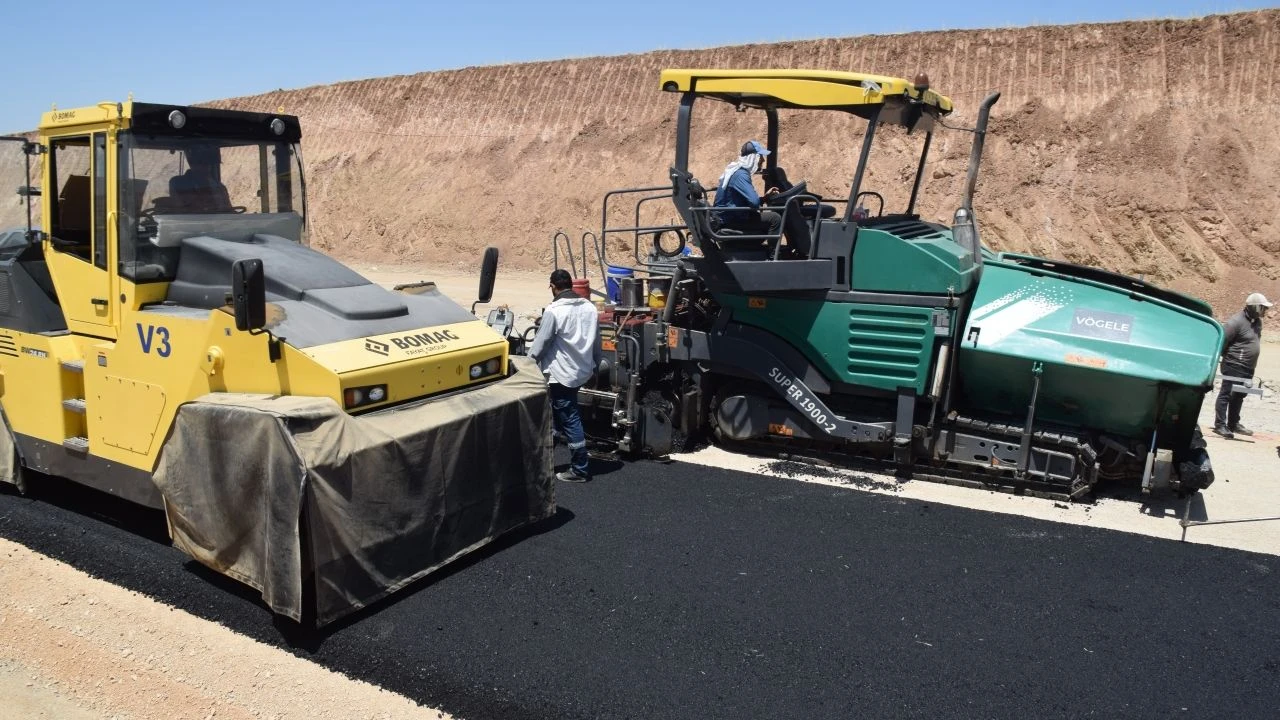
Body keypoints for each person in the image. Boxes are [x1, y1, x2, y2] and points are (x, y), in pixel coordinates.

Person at [529, 269, 602, 482]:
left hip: (561, 374)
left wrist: (526, 362)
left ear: (553, 286)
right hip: (582, 371)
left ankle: (579, 469)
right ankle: (545, 458)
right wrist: (596, 364)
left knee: (570, 417)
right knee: (558, 415)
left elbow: (541, 343)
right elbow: (596, 341)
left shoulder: (554, 311)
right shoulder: (589, 308)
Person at [711, 140, 811, 257]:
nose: (762, 161)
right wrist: (761, 200)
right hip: (731, 220)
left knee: (766, 219)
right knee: (775, 218)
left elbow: (748, 201)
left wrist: (764, 198)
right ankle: (774, 254)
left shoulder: (736, 172)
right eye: (760, 157)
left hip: (732, 217)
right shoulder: (741, 175)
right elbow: (753, 202)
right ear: (753, 158)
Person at [1213, 292, 1271, 438]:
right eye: (1263, 308)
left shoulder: (1257, 322)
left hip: (1247, 366)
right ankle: (1220, 425)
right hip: (1233, 364)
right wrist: (1229, 357)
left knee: (1239, 395)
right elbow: (1222, 341)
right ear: (1255, 307)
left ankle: (1233, 424)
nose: (1265, 311)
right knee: (1226, 394)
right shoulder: (1235, 322)